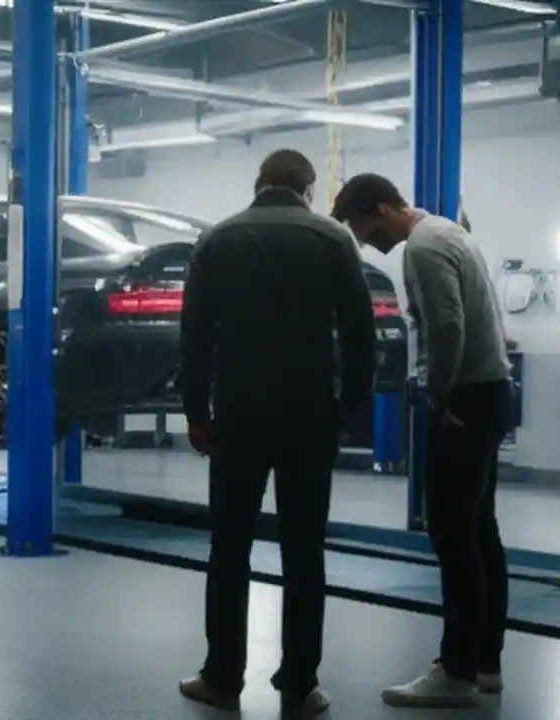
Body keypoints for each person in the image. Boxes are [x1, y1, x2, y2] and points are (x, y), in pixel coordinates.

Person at [177, 149, 377, 717]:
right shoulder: (333, 240)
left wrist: (195, 412)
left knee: (229, 549)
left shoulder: (218, 240)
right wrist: (350, 407)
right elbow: (360, 332)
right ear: (309, 191)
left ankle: (222, 680)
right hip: (309, 417)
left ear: (258, 184)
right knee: (305, 553)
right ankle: (299, 686)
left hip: (237, 416)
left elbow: (195, 335)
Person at [331, 174, 512, 709]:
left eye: (367, 230)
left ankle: (456, 672)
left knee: (451, 534)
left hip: (465, 397)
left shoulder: (424, 248)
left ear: (384, 208)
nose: (368, 244)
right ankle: (485, 662)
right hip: (491, 391)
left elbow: (447, 325)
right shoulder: (450, 232)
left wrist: (440, 392)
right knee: (479, 531)